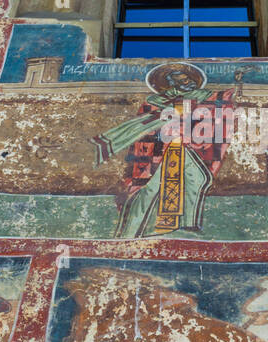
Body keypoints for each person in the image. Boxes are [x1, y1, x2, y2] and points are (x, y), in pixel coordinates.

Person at [92, 62, 239, 237]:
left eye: (188, 79)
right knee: (148, 189)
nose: (187, 82)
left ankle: (188, 226)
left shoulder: (203, 96)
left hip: (189, 149)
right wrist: (165, 123)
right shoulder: (154, 101)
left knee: (198, 178)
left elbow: (220, 102)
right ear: (172, 83)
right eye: (182, 80)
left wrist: (236, 88)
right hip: (159, 151)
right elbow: (144, 124)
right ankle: (132, 233)